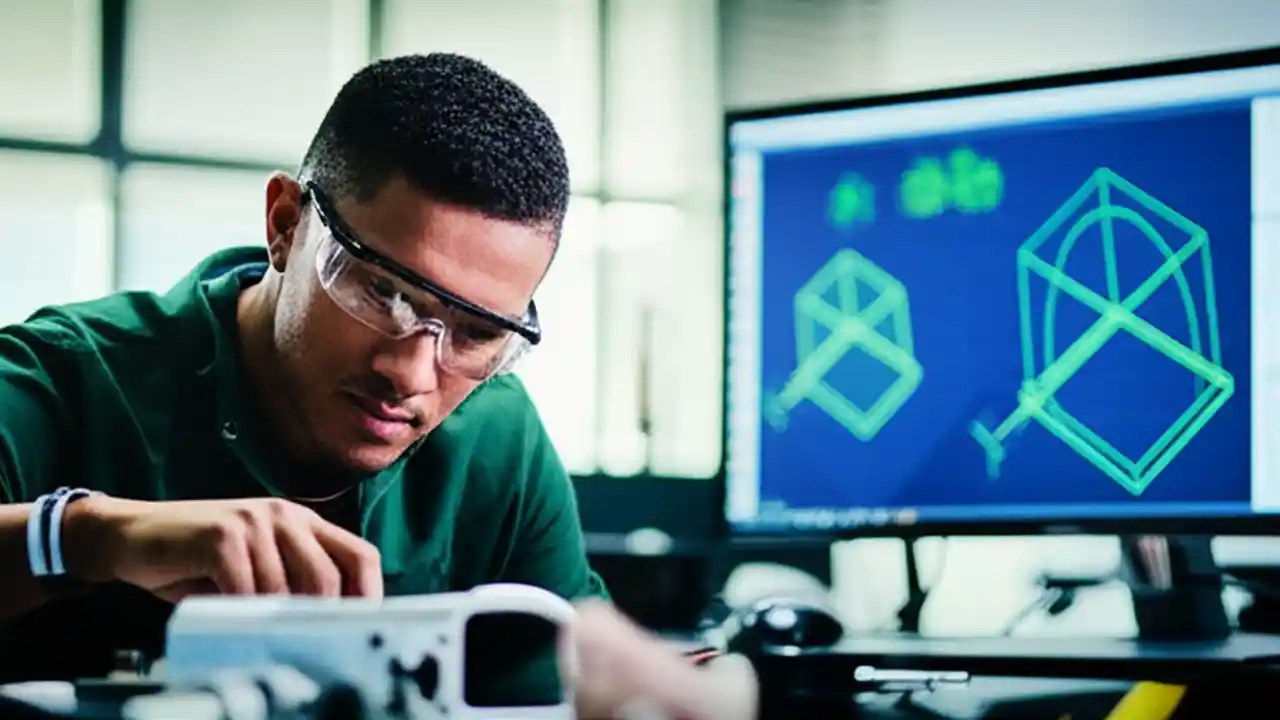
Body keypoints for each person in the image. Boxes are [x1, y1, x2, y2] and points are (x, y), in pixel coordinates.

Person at [0, 52, 759, 717]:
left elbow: (564, 684)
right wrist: (86, 537)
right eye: (383, 293)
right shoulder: (72, 375)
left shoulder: (496, 437)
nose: (413, 371)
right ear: (286, 225)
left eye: (479, 332)